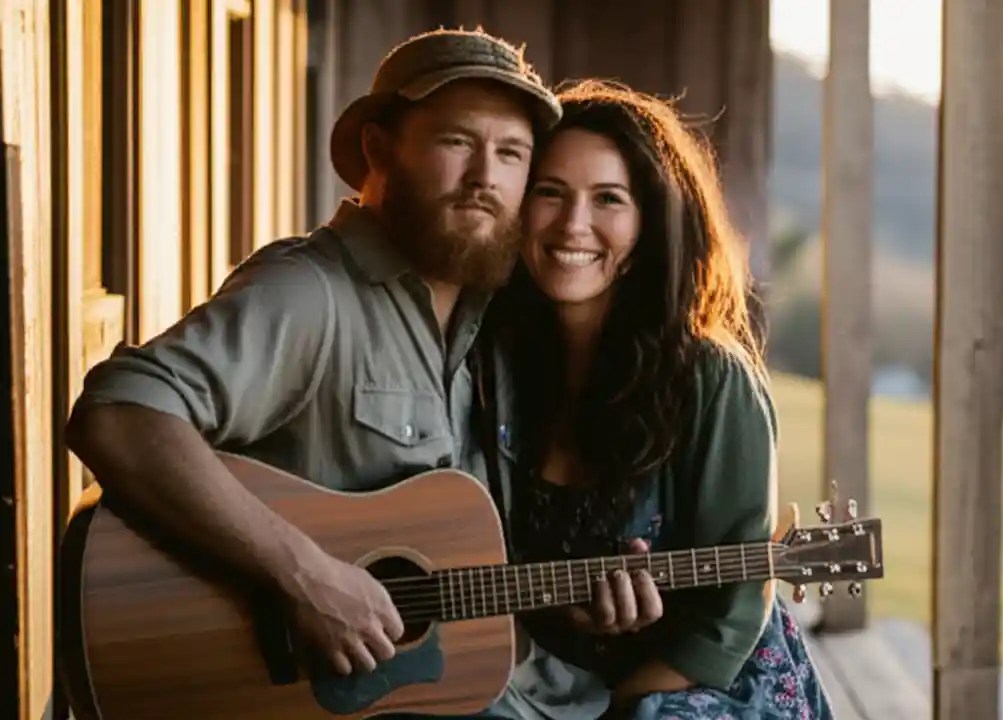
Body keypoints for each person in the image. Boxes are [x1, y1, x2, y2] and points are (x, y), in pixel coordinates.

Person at [63, 27, 661, 704]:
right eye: (455, 141)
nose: (484, 177)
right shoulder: (311, 293)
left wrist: (566, 598)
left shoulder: (483, 325)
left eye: (511, 153)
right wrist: (305, 576)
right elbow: (117, 416)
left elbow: (431, 567)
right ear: (380, 149)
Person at [471, 80, 833, 719]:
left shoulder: (713, 379)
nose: (572, 224)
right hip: (543, 681)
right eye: (549, 193)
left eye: (607, 199)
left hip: (692, 684)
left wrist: (620, 707)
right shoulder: (490, 362)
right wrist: (565, 607)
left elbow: (733, 617)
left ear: (650, 222)